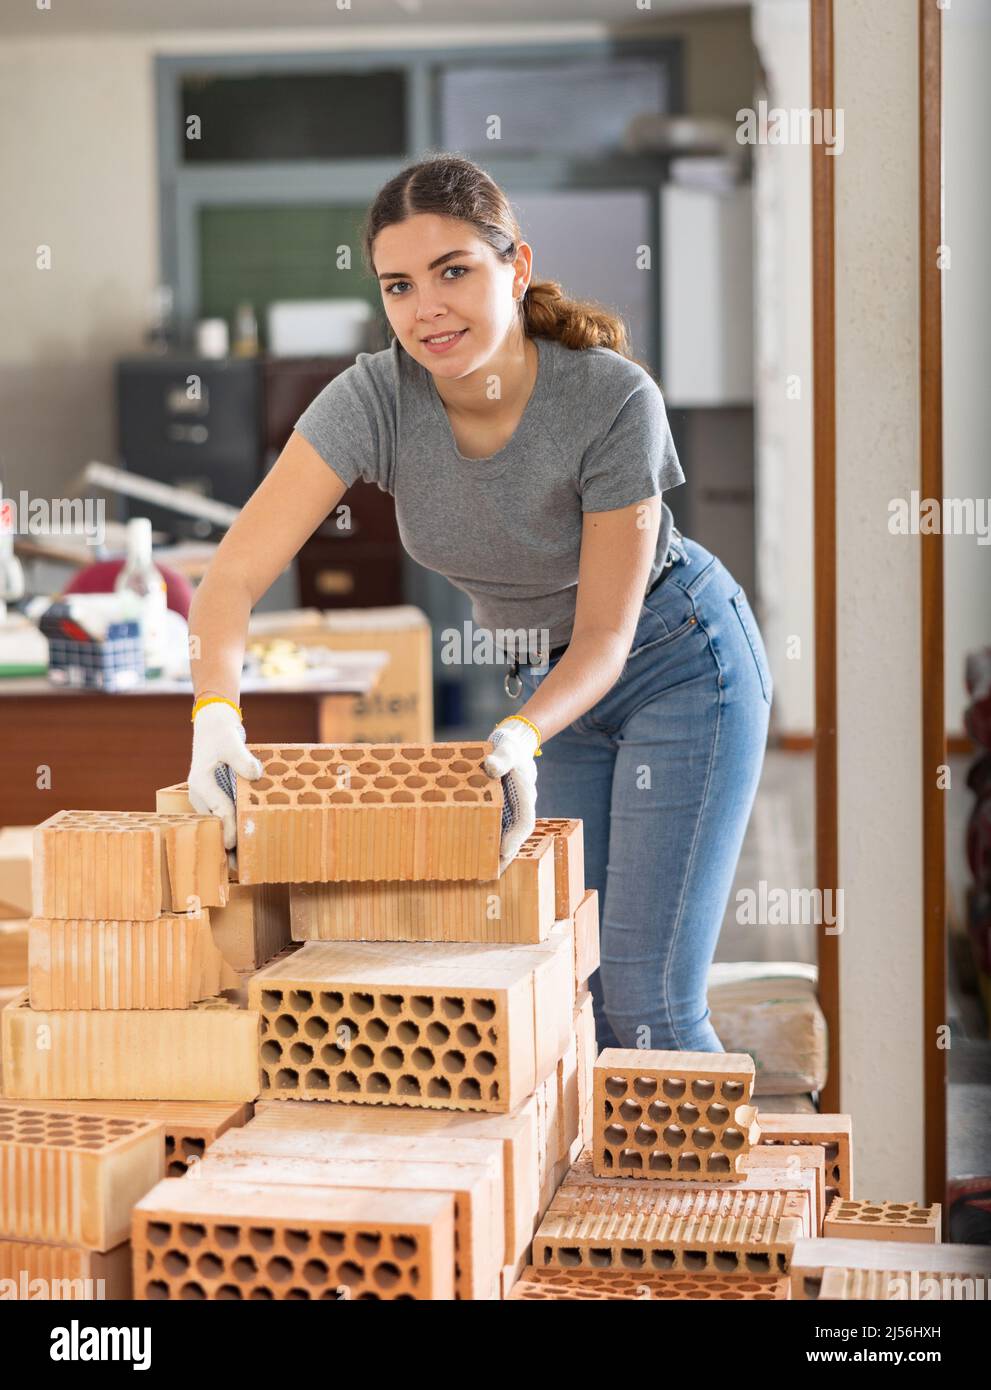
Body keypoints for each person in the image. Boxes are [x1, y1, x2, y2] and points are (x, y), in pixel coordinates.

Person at [186, 153, 772, 1054]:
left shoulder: (610, 400)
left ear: (517, 266)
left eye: (453, 270)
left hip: (675, 663)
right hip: (547, 684)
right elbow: (230, 578)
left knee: (647, 997)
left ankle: (715, 1193)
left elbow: (608, 635)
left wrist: (521, 733)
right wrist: (216, 713)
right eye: (398, 284)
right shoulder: (373, 399)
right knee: (567, 976)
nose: (427, 309)